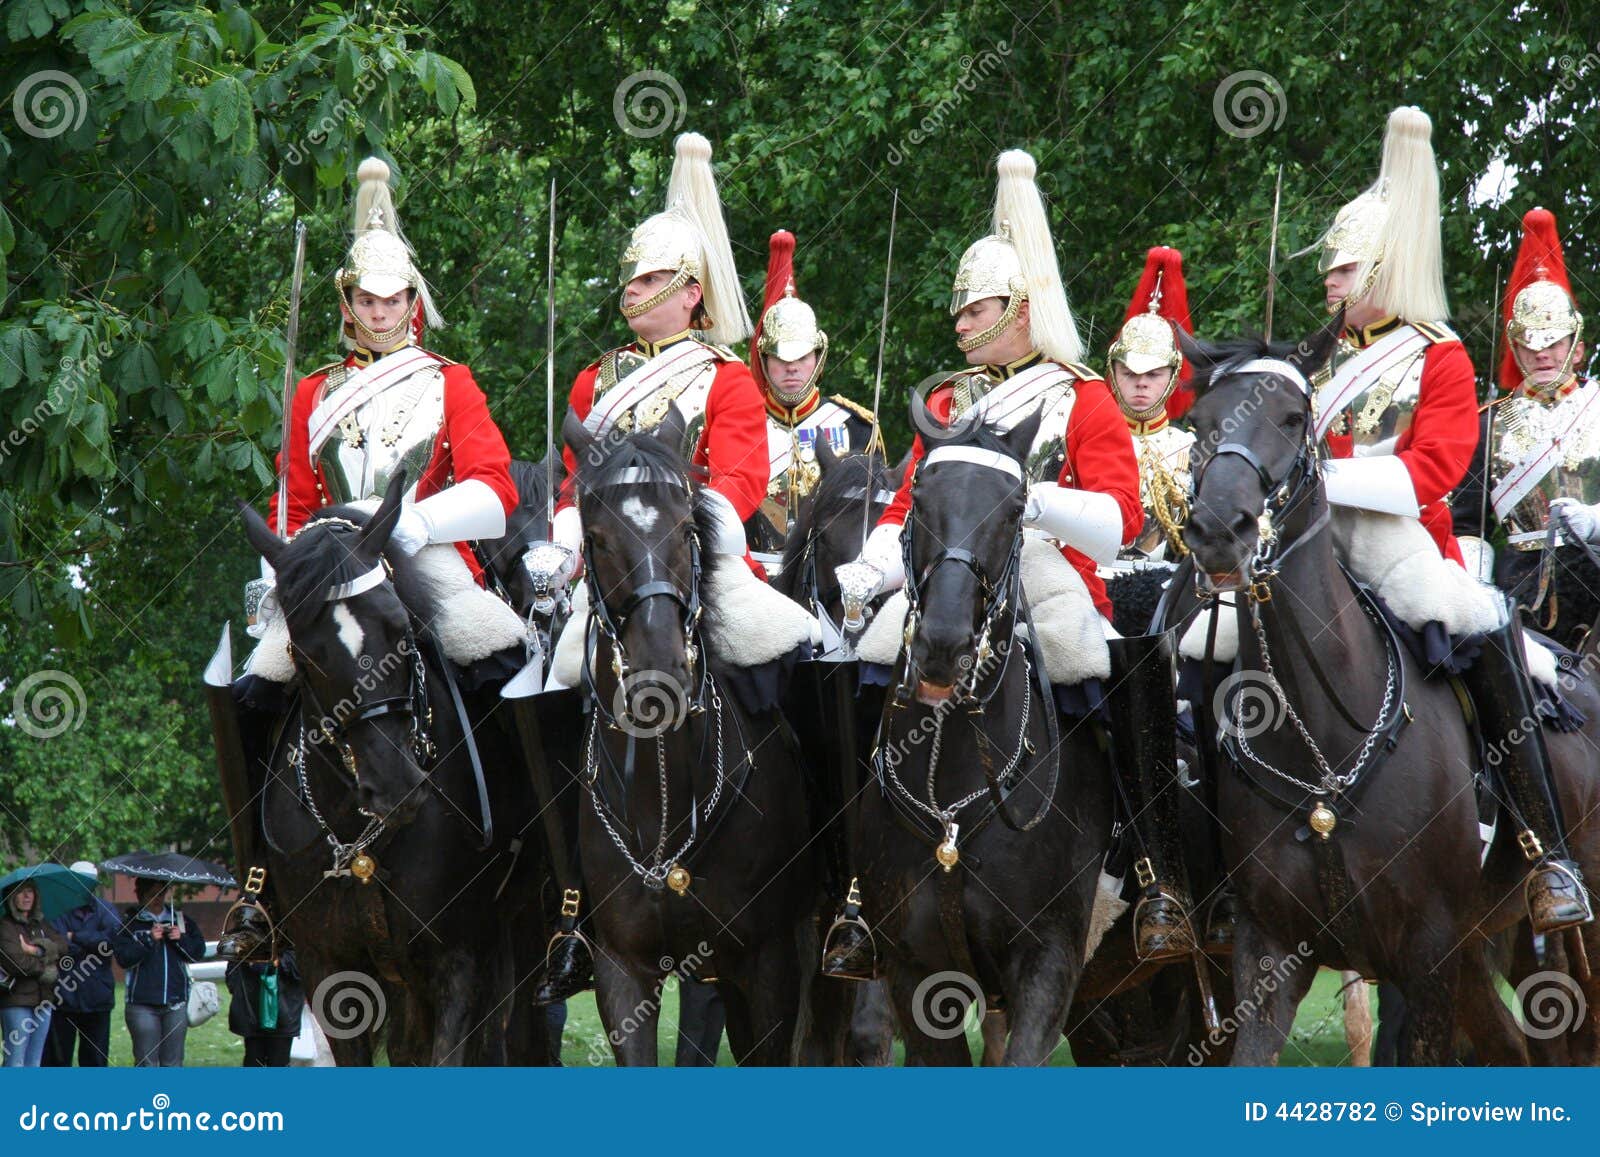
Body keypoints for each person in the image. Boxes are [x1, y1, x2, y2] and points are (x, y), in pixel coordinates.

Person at [827, 149, 1142, 977]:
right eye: (960, 314)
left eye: (977, 312)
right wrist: (869, 568)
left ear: (1023, 308)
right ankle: (862, 883)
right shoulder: (945, 403)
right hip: (950, 568)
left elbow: (1120, 518)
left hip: (1046, 565)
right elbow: (905, 512)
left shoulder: (1084, 395)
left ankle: (1138, 860)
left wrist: (1035, 504)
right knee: (862, 659)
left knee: (1088, 656)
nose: (960, 326)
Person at [214, 155, 525, 959]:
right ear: (346, 303)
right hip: (328, 573)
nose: (382, 313)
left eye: (395, 300)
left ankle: (525, 858)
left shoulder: (450, 381)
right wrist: (274, 583)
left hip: (427, 553)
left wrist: (417, 524)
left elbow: (496, 490)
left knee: (508, 663)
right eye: (368, 300)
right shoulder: (313, 393)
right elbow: (293, 502)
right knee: (252, 687)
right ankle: (257, 887)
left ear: (411, 303)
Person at [523, 131, 793, 1004]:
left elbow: (746, 476)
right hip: (611, 576)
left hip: (703, 562)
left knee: (802, 660)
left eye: (647, 282)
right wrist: (561, 542)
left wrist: (690, 532)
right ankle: (571, 895)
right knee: (542, 686)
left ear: (689, 294)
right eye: (632, 281)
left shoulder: (727, 377)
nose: (630, 293)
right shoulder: (595, 380)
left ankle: (823, 869)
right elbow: (575, 483)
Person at [1308, 107, 1589, 934]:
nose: (1329, 284)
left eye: (1343, 269)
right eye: (1328, 271)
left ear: (1382, 271)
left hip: (1401, 544)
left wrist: (1326, 477)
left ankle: (1544, 856)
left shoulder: (1440, 353)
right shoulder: (1318, 361)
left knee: (1484, 621)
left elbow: (1437, 470)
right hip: (1314, 546)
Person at [745, 229, 878, 567]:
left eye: (802, 358)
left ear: (818, 356)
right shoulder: (741, 423)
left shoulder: (856, 426)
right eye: (781, 359)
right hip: (755, 573)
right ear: (764, 359)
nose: (792, 369)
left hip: (832, 575)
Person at [113, 878, 206, 1067]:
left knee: (173, 1062)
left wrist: (180, 939)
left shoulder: (180, 920)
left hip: (175, 1001)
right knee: (147, 1062)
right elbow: (124, 958)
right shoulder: (131, 923)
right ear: (141, 894)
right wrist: (148, 940)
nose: (156, 898)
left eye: (161, 892)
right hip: (142, 1003)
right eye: (151, 893)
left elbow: (197, 953)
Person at [42, 861, 120, 1067]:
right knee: (57, 1062)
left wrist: (75, 936)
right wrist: (91, 941)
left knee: (95, 1061)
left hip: (97, 998)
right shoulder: (55, 912)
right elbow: (58, 945)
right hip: (63, 997)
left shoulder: (107, 910)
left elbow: (111, 943)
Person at [0, 881, 67, 1067]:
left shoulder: (41, 923)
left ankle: (29, 1096)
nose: (27, 896)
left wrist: (35, 950)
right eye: (20, 892)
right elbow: (16, 963)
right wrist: (48, 965)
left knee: (35, 1061)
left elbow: (63, 946)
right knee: (15, 1060)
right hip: (16, 1001)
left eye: (30, 891)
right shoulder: (5, 926)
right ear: (11, 897)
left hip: (44, 999)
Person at [225, 948, 305, 1067]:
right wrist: (236, 987)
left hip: (284, 1012)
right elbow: (233, 966)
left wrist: (272, 964)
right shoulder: (245, 934)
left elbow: (300, 966)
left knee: (279, 1063)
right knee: (253, 1061)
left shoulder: (292, 936)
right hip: (251, 1012)